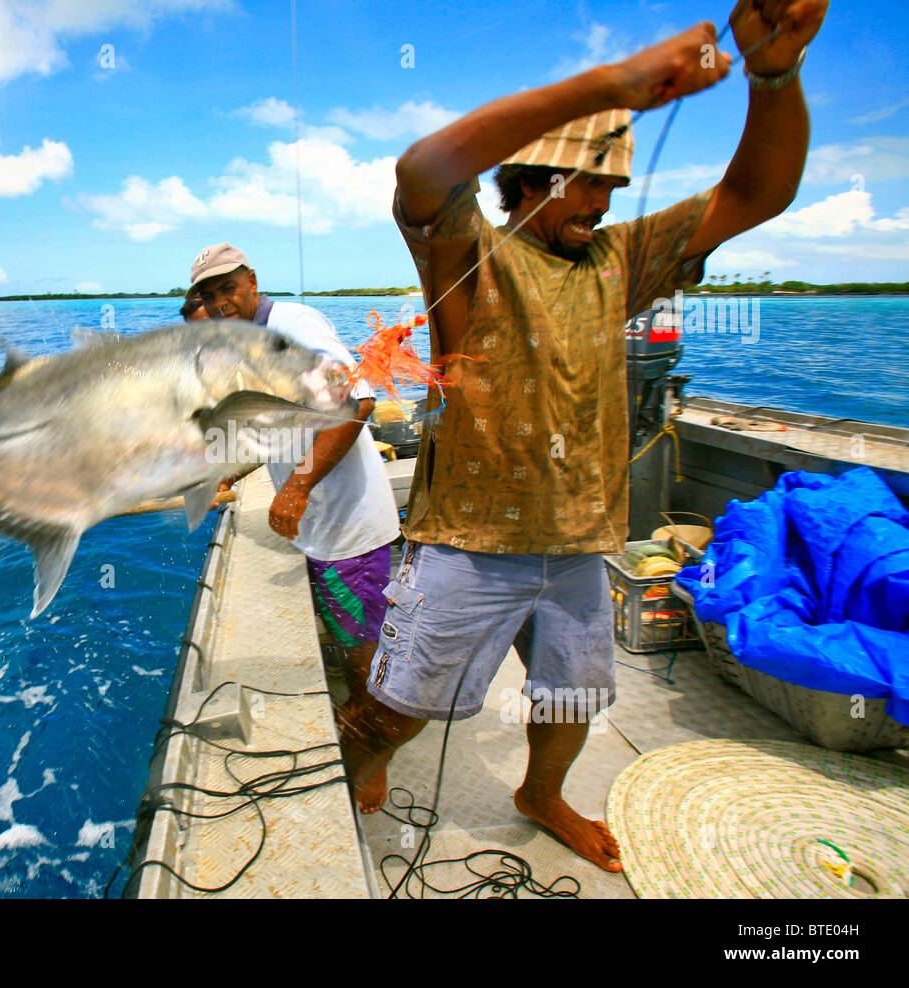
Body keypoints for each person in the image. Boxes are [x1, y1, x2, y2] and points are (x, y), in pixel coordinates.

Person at [342, 4, 828, 866]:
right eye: (590, 183)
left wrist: (774, 75)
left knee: (569, 701)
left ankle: (541, 792)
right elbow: (421, 168)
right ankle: (369, 755)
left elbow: (757, 193)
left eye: (612, 189)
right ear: (533, 177)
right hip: (467, 538)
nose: (604, 205)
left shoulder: (620, 259)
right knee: (397, 707)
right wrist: (613, 85)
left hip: (579, 544)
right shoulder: (470, 250)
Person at [186, 243, 400, 792]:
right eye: (209, 295)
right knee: (347, 628)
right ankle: (360, 711)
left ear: (251, 280)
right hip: (316, 527)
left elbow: (356, 403)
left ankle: (375, 754)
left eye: (227, 288)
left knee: (360, 638)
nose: (220, 302)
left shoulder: (296, 325)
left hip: (347, 525)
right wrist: (229, 474)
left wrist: (299, 486)